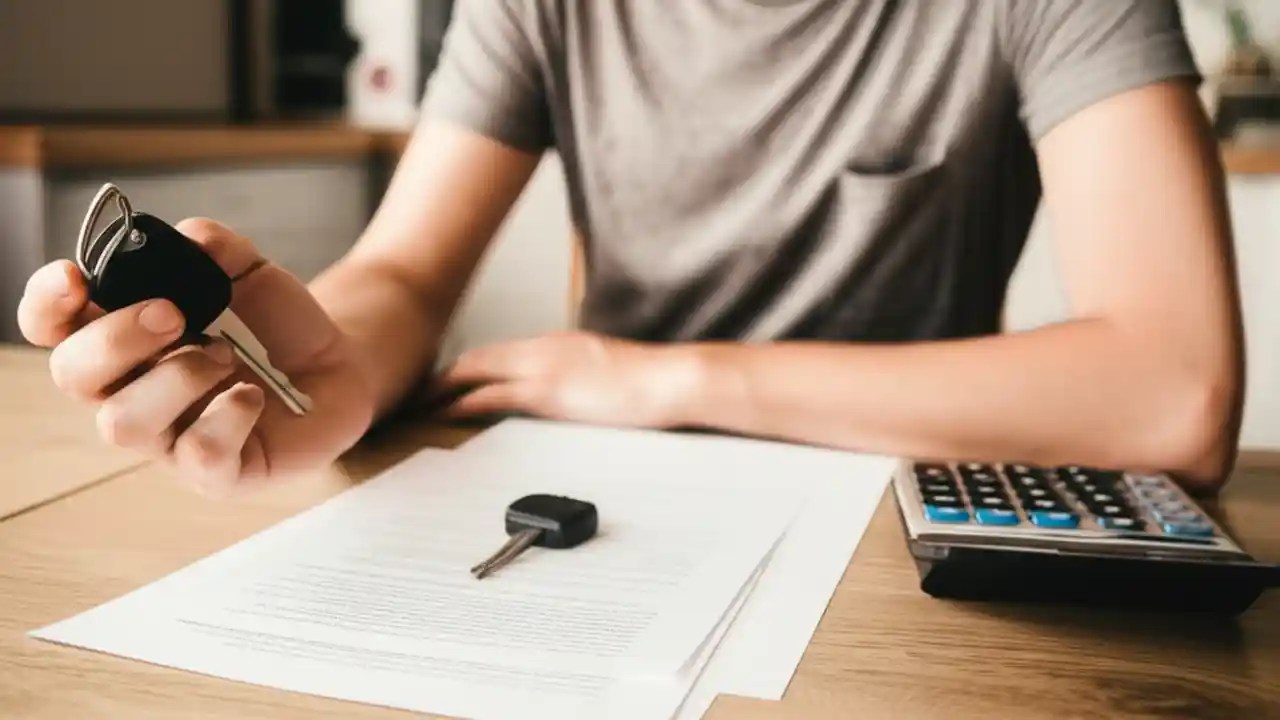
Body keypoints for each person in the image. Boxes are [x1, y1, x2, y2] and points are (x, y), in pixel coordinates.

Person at [16, 0, 1244, 497]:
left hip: (898, 512)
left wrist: (664, 377)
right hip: (610, 505)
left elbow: (1172, 389)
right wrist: (324, 372)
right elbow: (404, 273)